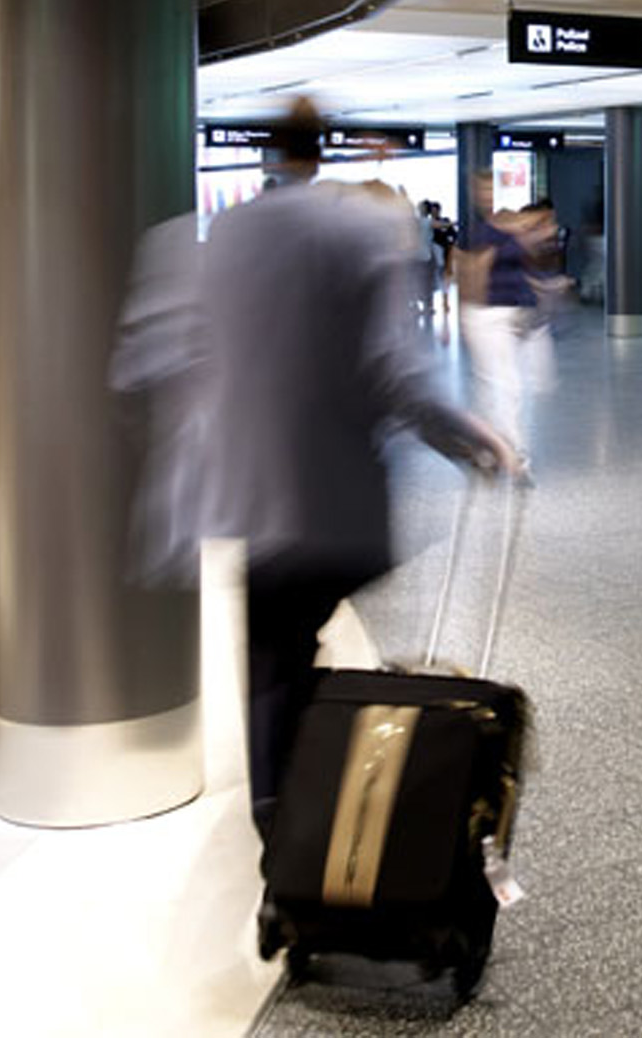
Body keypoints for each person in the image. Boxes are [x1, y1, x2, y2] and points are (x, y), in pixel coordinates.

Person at [197, 101, 519, 843]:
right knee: (293, 644)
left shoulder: (233, 235)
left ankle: (280, 815)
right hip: (331, 497)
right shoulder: (355, 232)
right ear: (324, 148)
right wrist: (470, 438)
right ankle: (320, 796)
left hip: (251, 490)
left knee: (273, 655)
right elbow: (390, 368)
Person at [457, 173, 551, 459]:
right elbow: (468, 273)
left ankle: (486, 443)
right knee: (505, 384)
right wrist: (467, 315)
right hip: (488, 315)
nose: (486, 195)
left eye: (490, 188)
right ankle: (511, 448)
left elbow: (530, 239)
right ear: (474, 193)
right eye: (481, 189)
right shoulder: (476, 233)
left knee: (498, 384)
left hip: (514, 313)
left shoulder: (508, 222)